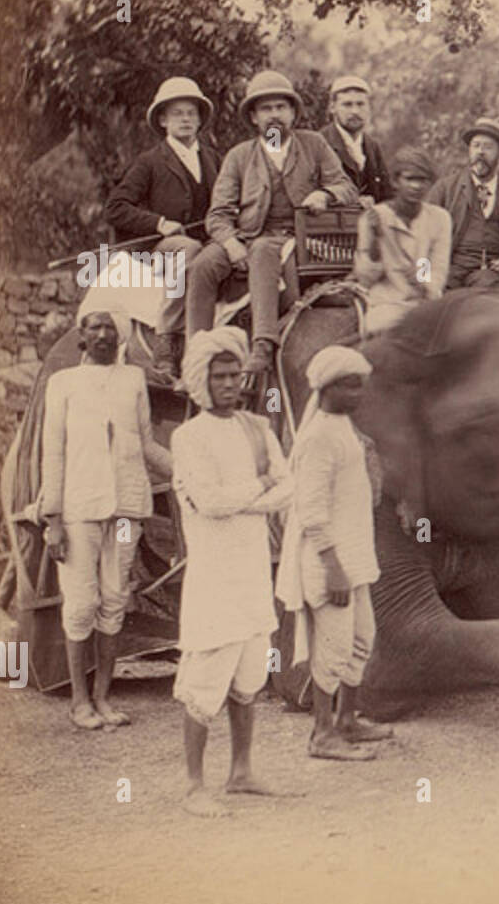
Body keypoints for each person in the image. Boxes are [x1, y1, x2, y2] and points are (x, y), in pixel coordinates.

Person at [170, 328, 295, 816]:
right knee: (204, 680)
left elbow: (289, 488)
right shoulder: (189, 437)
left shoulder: (257, 428)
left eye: (235, 375)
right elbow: (210, 502)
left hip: (251, 572)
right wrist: (258, 488)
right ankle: (194, 786)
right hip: (213, 577)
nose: (230, 384)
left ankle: (241, 771)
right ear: (202, 381)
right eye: (219, 376)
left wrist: (249, 494)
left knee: (249, 675)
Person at [40, 300, 172, 730]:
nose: (102, 335)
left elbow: (146, 444)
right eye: (94, 328)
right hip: (78, 509)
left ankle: (103, 699)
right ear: (81, 336)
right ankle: (80, 702)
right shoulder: (63, 384)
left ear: (119, 338)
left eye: (109, 329)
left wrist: (188, 470)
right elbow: (53, 452)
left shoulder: (133, 379)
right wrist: (54, 518)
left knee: (114, 600)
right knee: (81, 603)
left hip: (125, 509)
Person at [190, 70, 358, 373]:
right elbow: (218, 213)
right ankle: (196, 355)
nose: (274, 116)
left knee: (264, 250)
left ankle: (263, 344)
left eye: (281, 107)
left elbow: (347, 188)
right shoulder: (239, 156)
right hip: (245, 236)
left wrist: (325, 195)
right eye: (266, 109)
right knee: (203, 265)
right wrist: (229, 243)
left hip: (297, 238)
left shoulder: (314, 145)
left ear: (293, 113)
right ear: (254, 117)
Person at [276, 346, 392, 761]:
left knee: (362, 640)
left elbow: (367, 497)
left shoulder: (345, 431)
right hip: (329, 564)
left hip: (354, 560)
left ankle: (347, 719)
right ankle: (321, 734)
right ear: (326, 387)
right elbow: (310, 510)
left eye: (361, 383)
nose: (359, 392)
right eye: (349, 384)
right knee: (333, 649)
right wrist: (333, 567)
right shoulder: (318, 437)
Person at [105, 77, 221, 385]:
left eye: (191, 113)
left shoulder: (211, 159)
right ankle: (167, 343)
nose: (185, 119)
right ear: (163, 120)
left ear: (199, 119)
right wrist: (160, 223)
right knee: (187, 250)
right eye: (177, 113)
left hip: (208, 245)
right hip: (161, 251)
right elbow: (115, 208)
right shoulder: (150, 162)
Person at [425, 117, 499, 290]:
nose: (480, 152)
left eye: (488, 147)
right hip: (450, 267)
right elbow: (424, 233)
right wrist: (425, 277)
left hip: (491, 273)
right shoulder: (445, 189)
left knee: (485, 300)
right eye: (476, 146)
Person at [353, 148, 452, 334]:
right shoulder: (374, 217)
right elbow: (365, 278)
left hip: (425, 305)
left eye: (422, 180)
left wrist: (421, 277)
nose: (416, 186)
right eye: (409, 179)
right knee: (381, 325)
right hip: (386, 305)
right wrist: (374, 241)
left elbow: (437, 269)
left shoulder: (439, 219)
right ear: (395, 182)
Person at [319, 75, 391, 208]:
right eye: (347, 105)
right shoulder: (320, 142)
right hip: (330, 224)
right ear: (333, 108)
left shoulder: (372, 146)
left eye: (360, 104)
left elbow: (386, 195)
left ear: (369, 108)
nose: (355, 111)